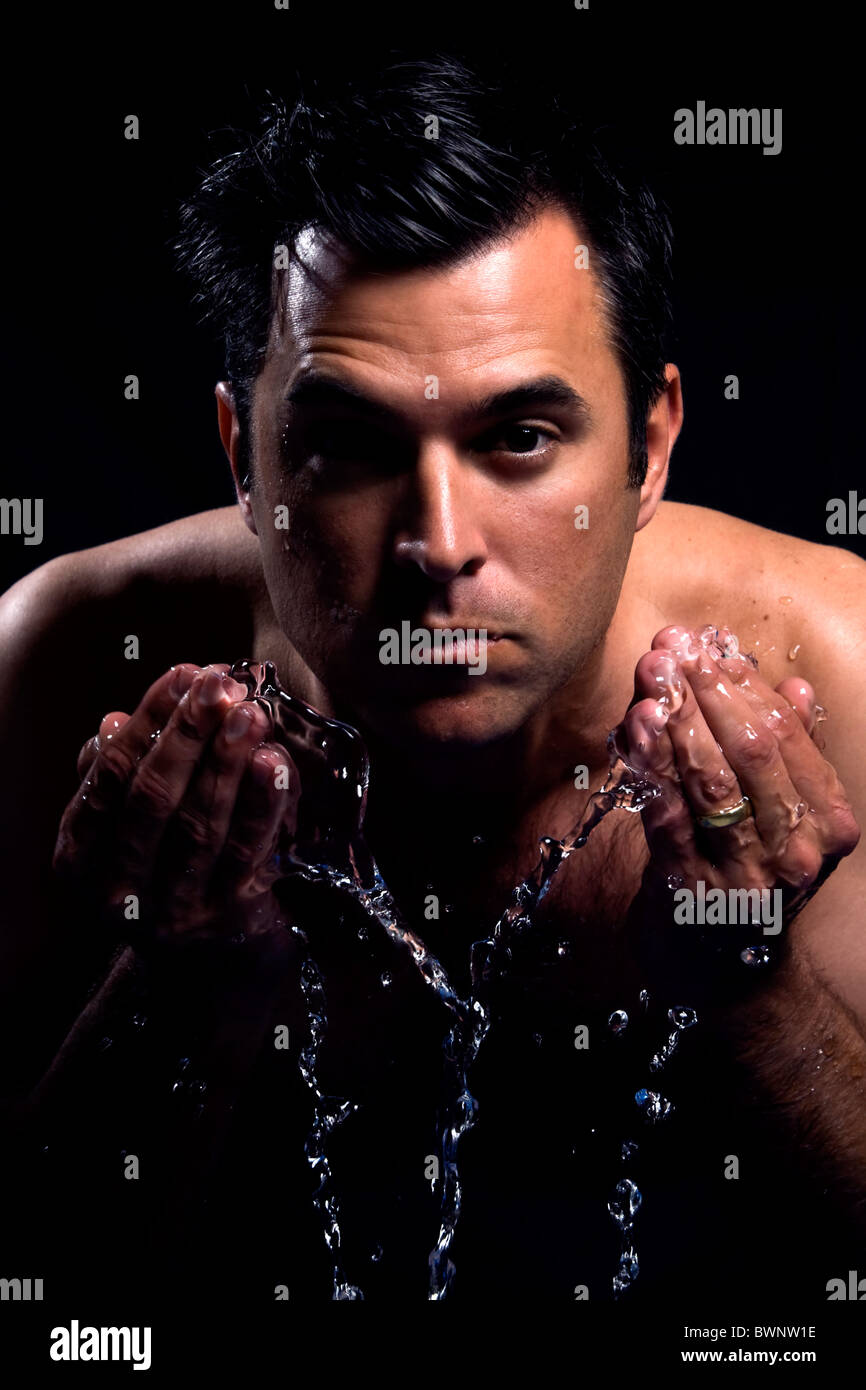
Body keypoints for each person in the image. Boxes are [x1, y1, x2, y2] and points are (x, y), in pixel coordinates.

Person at [0, 53, 864, 1314]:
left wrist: (752, 990)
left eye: (518, 436)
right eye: (347, 445)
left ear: (651, 445)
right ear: (244, 454)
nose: (435, 542)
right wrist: (176, 997)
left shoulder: (834, 669)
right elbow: (40, 1303)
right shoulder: (59, 660)